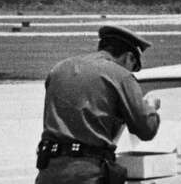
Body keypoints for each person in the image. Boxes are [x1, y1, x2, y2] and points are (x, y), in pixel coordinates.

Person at [35, 24, 161, 183]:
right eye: (133, 66)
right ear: (129, 57)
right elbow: (146, 130)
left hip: (49, 171)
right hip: (87, 174)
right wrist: (150, 107)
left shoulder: (59, 69)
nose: (130, 71)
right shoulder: (120, 76)